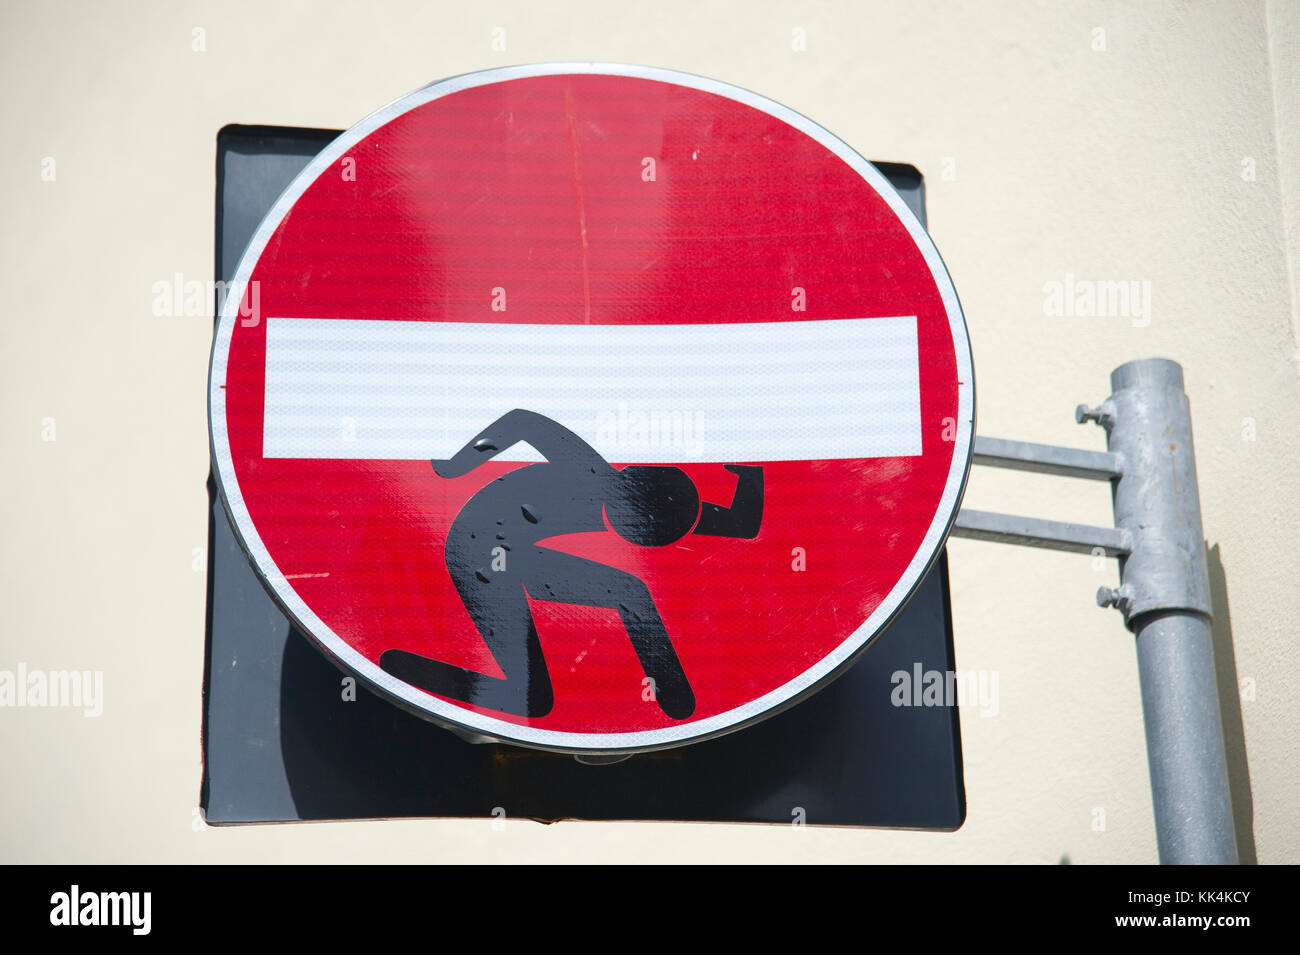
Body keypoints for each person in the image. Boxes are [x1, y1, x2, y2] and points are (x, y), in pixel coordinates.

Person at [380, 409, 763, 720]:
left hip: (517, 551)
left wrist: (752, 469)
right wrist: (454, 466)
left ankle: (674, 696)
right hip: (477, 549)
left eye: (632, 535)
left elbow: (739, 525)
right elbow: (523, 420)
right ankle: (408, 670)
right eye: (622, 525)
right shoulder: (588, 468)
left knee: (631, 592)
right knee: (533, 700)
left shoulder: (662, 512)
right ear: (625, 481)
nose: (618, 532)